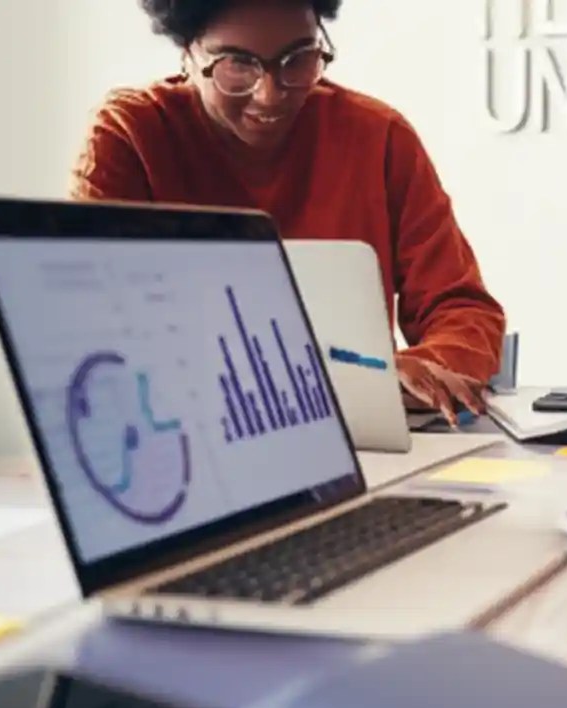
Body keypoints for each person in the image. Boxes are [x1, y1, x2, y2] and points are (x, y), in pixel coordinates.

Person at [71, 0, 505, 425]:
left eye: (297, 59)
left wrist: (419, 370)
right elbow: (93, 325)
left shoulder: (377, 138)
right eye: (237, 64)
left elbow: (462, 308)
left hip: (358, 444)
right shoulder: (131, 136)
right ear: (189, 52)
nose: (270, 93)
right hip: (182, 435)